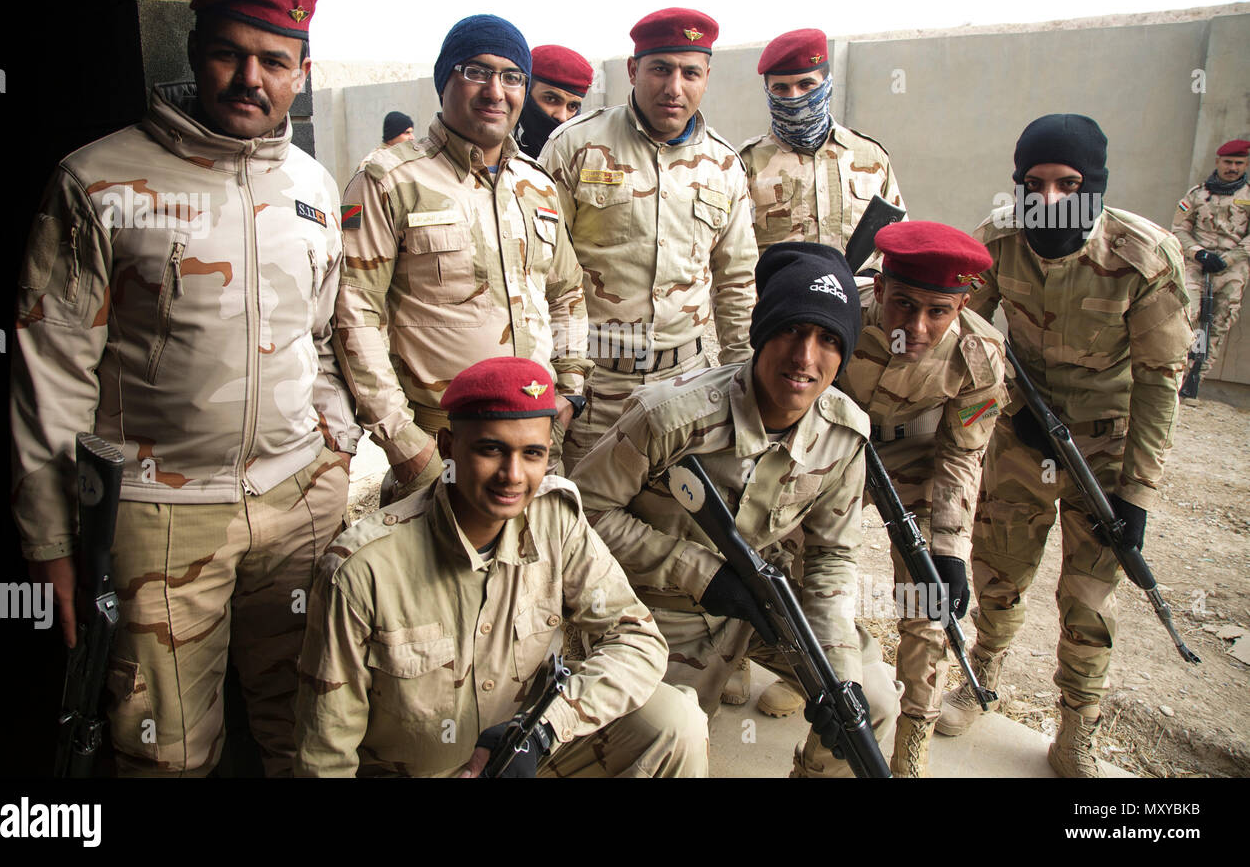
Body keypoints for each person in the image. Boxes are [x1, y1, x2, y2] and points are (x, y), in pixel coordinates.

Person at [10, 0, 359, 776]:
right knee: (164, 750)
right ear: (195, 54)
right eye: (230, 55)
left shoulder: (310, 185)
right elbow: (49, 372)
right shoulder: (97, 181)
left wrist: (337, 451)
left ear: (301, 73)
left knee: (310, 727)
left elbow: (319, 341)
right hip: (158, 517)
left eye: (275, 60)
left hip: (300, 504)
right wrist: (50, 541)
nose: (251, 79)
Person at [570, 243, 903, 777]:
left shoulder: (844, 436)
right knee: (673, 734)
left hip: (769, 609)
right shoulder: (670, 416)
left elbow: (832, 559)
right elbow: (579, 516)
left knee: (871, 704)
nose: (805, 357)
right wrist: (698, 571)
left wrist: (839, 674)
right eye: (791, 330)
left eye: (828, 340)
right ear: (760, 332)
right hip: (662, 610)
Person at [294, 356, 709, 777]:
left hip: (523, 755)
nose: (513, 475)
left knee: (675, 723)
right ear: (447, 448)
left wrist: (546, 728)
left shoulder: (555, 520)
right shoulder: (361, 571)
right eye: (491, 449)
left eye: (532, 454)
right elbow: (326, 753)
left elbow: (636, 638)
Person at [938, 114, 1192, 778]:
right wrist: (1004, 408)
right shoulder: (997, 242)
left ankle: (1078, 723)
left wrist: (1136, 493)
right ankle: (980, 679)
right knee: (998, 573)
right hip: (1022, 442)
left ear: (1096, 185)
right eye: (1035, 182)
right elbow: (966, 338)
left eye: (1069, 184)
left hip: (1102, 455)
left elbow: (1161, 386)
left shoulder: (1144, 258)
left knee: (1087, 600)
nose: (1049, 199)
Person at [756, 222, 1006, 778]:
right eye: (903, 304)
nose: (915, 327)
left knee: (927, 601)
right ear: (881, 284)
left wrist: (949, 547)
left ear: (964, 303)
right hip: (831, 446)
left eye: (938, 311)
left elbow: (962, 453)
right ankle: (797, 670)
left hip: (914, 461)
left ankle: (912, 737)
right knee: (785, 560)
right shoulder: (841, 314)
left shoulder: (981, 355)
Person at [334, 15, 591, 502]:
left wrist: (570, 389)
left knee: (528, 575)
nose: (496, 91)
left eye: (512, 77)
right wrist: (404, 444)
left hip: (535, 443)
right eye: (477, 71)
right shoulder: (388, 180)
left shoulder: (536, 185)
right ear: (444, 80)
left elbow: (566, 292)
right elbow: (354, 314)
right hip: (439, 448)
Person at [538, 7, 758, 473]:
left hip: (688, 384)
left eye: (690, 72)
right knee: (585, 523)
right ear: (634, 70)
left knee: (676, 517)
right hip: (596, 387)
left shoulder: (724, 166)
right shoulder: (573, 146)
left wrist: (745, 384)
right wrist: (557, 381)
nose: (674, 87)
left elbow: (737, 281)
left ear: (707, 77)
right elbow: (539, 272)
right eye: (660, 68)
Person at [738, 28, 906, 258]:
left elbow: (899, 240)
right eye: (781, 88)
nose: (794, 97)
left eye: (806, 85)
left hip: (862, 291)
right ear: (768, 91)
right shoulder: (745, 164)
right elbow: (732, 256)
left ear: (826, 84)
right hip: (782, 291)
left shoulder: (871, 157)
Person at [1171, 138, 1249, 400]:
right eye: (1228, 162)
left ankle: (1193, 384)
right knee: (1186, 318)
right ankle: (1173, 381)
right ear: (1218, 162)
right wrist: (1198, 252)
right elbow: (1179, 229)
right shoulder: (1196, 194)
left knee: (1216, 327)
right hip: (1196, 266)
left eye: (1239, 163)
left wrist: (1230, 257)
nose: (1233, 167)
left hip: (1231, 271)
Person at [512, 44, 593, 158]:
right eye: (551, 99)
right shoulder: (495, 151)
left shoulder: (585, 158)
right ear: (525, 93)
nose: (562, 117)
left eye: (572, 106)